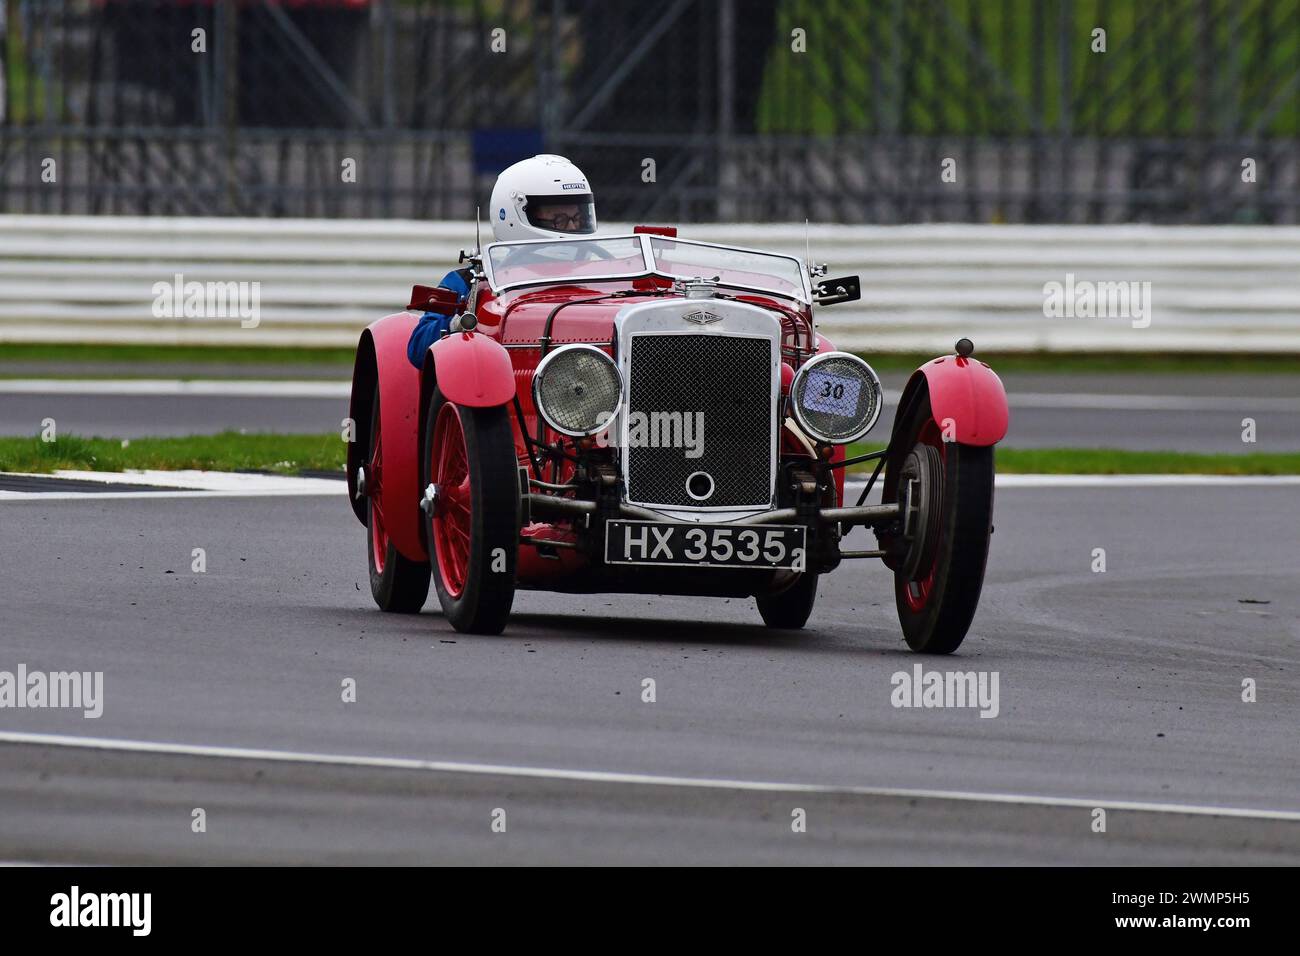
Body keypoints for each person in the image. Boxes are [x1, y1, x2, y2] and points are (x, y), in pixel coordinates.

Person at [407, 154, 597, 367]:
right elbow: (417, 349)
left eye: (577, 218)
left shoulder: (603, 275)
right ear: (516, 214)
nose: (572, 228)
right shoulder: (471, 281)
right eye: (559, 219)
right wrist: (457, 323)